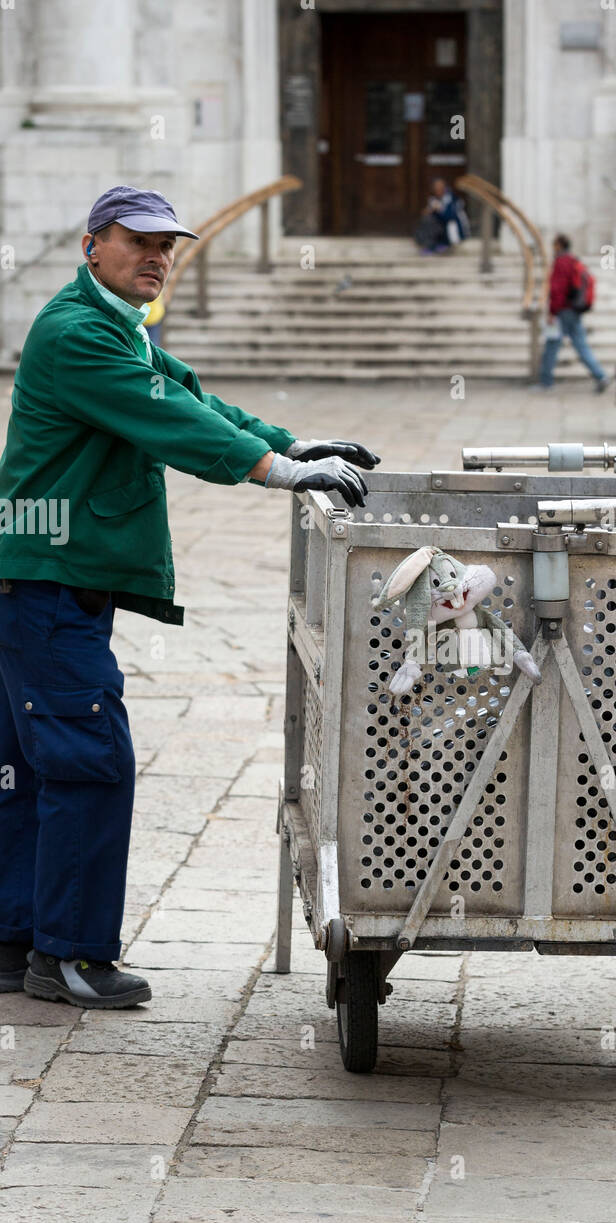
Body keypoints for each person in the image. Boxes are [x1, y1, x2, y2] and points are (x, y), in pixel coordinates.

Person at [0, 185, 380, 1008]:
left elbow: (193, 392)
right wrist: (276, 472)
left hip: (44, 574)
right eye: (138, 242)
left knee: (29, 767)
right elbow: (168, 415)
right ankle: (69, 956)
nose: (157, 257)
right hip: (46, 578)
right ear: (91, 244)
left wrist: (291, 442)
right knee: (88, 759)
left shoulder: (113, 324)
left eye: (167, 244)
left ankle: (15, 939)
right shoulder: (78, 335)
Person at [538, 234, 609, 392]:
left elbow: (557, 289)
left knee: (552, 346)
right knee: (581, 345)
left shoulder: (561, 262)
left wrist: (552, 311)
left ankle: (546, 381)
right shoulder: (573, 260)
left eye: (554, 245)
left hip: (563, 310)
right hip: (573, 310)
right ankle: (601, 376)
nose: (552, 248)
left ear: (559, 245)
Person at [413, 179, 469, 254]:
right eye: (436, 188)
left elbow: (451, 217)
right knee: (427, 220)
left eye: (440, 187)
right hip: (439, 229)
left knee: (431, 222)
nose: (438, 190)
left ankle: (436, 245)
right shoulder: (433, 199)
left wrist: (439, 210)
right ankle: (429, 245)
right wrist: (429, 211)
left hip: (452, 229)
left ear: (445, 188)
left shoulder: (452, 199)